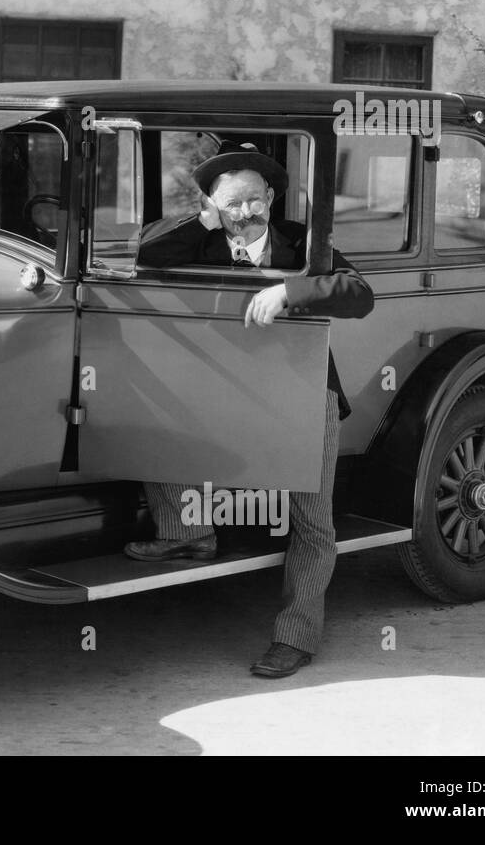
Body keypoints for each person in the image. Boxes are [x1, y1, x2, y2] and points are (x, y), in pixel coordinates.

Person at [129, 140, 374, 678]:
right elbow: (144, 252)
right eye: (230, 203)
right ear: (214, 207)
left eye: (252, 200)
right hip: (222, 394)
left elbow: (360, 294)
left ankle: (296, 638)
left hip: (303, 396)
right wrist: (204, 220)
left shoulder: (305, 245)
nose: (244, 213)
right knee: (150, 418)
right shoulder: (199, 240)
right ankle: (188, 532)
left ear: (270, 199)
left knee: (312, 523)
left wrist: (292, 290)